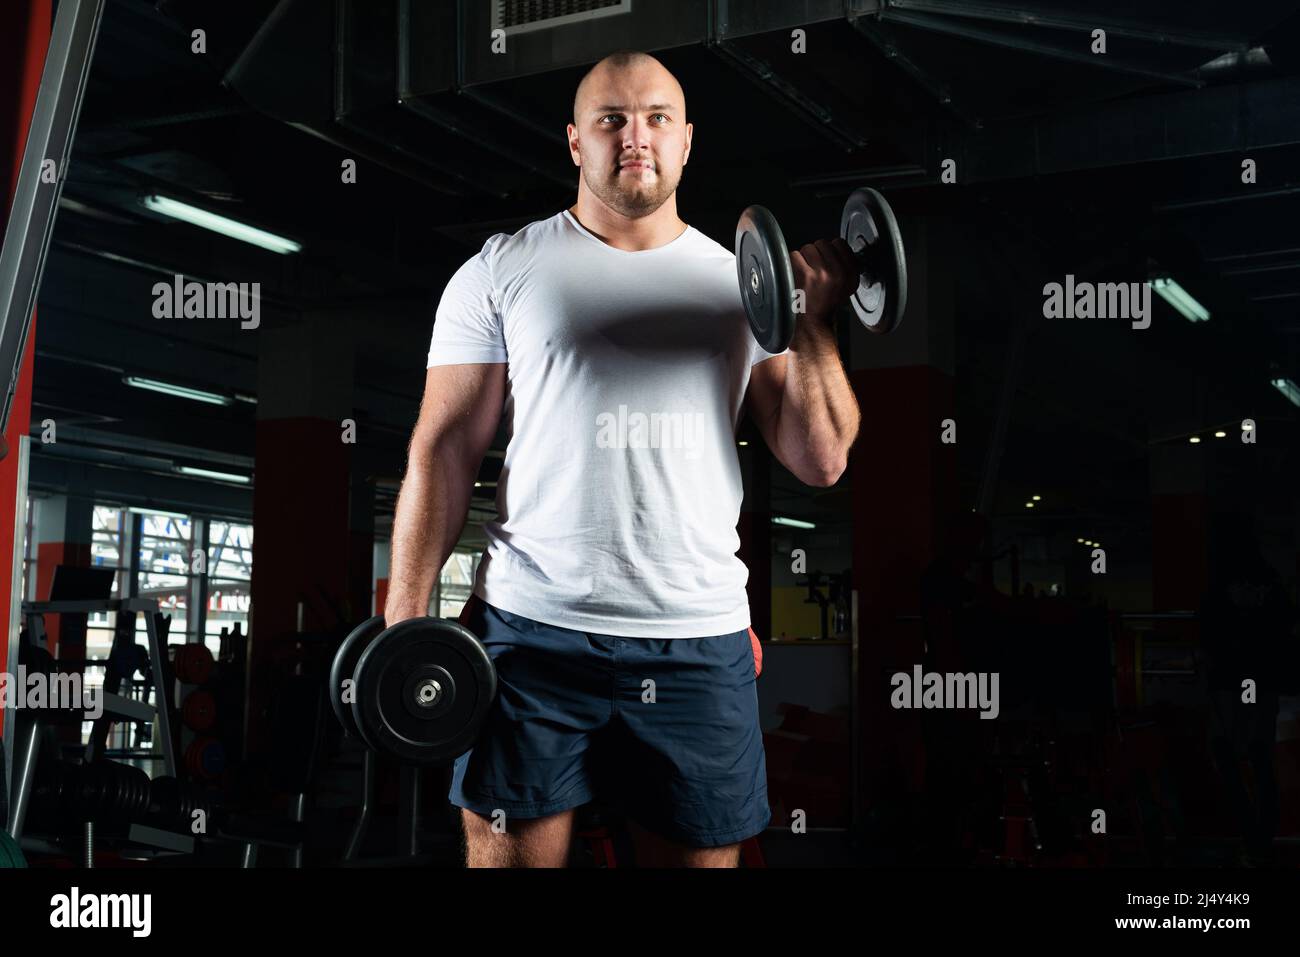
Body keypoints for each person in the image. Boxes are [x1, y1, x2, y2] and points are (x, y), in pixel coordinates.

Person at [386, 50, 862, 867]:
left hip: (697, 639)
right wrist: (404, 619)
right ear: (576, 142)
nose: (633, 137)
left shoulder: (741, 287)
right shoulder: (502, 269)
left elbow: (820, 460)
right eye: (611, 120)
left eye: (655, 119)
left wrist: (808, 315)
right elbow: (444, 450)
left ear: (686, 143)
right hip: (530, 633)